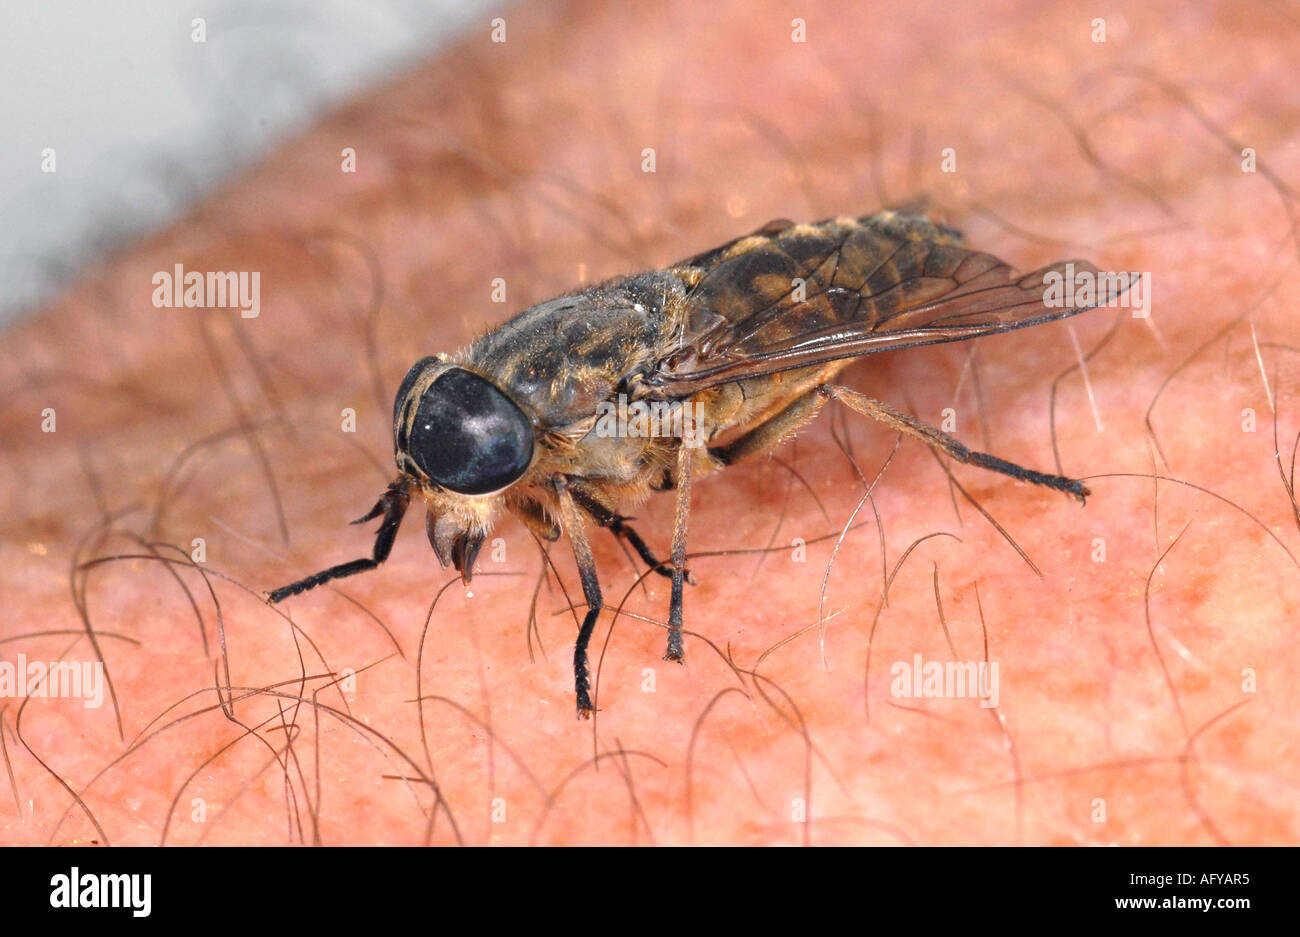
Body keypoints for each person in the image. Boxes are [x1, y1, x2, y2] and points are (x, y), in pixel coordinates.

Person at [3, 0, 1296, 846]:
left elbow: (661, 452)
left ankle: (981, 453)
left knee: (831, 377)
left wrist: (631, 604)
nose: (461, 489)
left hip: (767, 326)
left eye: (464, 466)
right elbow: (541, 472)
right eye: (440, 454)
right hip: (709, 294)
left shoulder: (599, 428)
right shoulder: (522, 420)